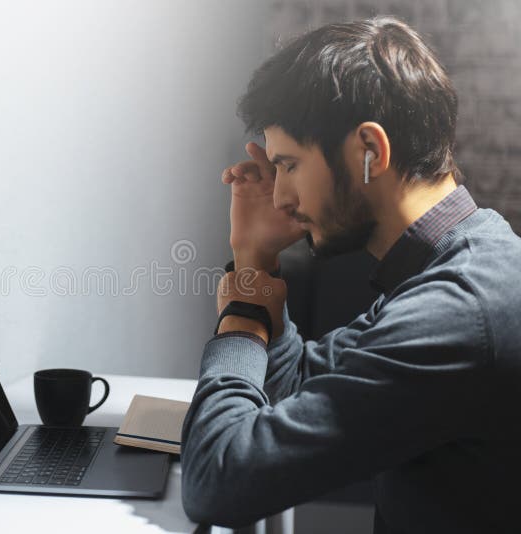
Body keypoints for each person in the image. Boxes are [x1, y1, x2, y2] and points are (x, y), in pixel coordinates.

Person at [180, 16, 520, 534]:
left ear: (369, 152)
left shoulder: (457, 312)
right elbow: (296, 388)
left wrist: (243, 315)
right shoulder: (455, 263)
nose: (279, 196)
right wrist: (254, 260)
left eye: (289, 165)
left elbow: (217, 482)